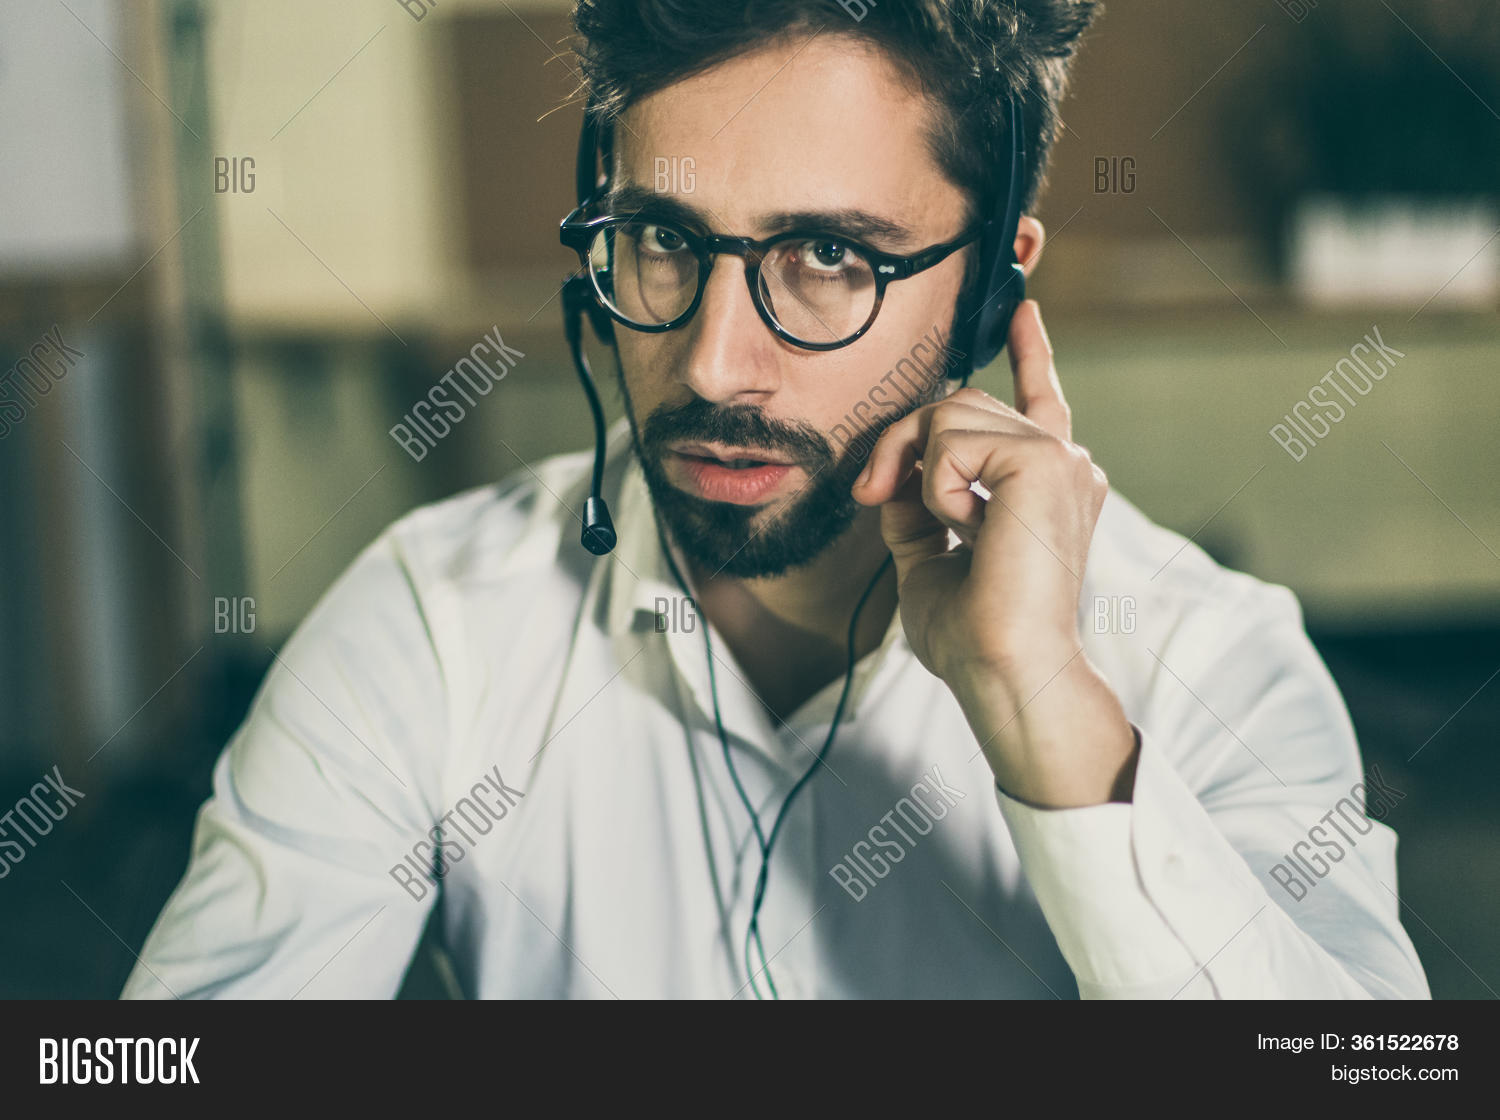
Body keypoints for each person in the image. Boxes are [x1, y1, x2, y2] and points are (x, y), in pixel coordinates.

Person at [123, 0, 1429, 999]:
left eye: (825, 257)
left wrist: (1051, 718)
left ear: (989, 289)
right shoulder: (438, 620)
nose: (711, 363)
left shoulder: (1211, 654)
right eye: (663, 240)